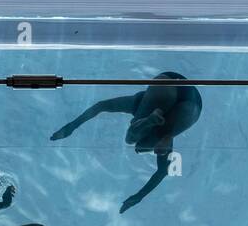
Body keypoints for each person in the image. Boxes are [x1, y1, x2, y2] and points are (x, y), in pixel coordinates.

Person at [50, 71, 203, 213]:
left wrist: (139, 196)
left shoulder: (138, 105)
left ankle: (151, 122)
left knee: (136, 139)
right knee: (131, 140)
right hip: (180, 96)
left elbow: (162, 172)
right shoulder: (136, 104)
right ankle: (150, 122)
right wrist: (71, 127)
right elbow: (101, 106)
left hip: (192, 105)